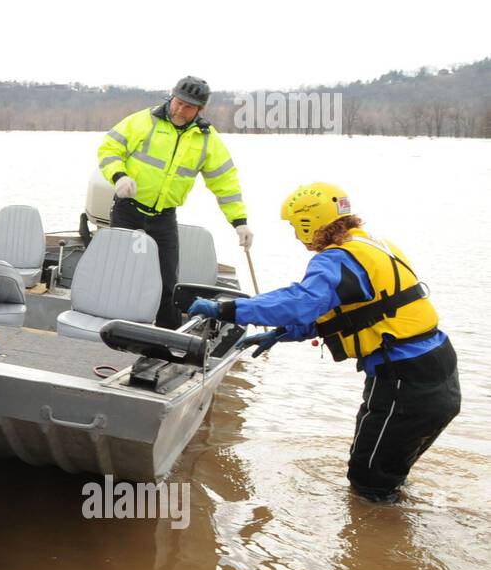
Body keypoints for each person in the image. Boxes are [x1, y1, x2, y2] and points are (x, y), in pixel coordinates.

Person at [188, 182, 460, 502]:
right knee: (384, 473)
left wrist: (229, 309)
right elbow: (365, 310)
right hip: (436, 370)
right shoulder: (369, 244)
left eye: (294, 225)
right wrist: (287, 332)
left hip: (405, 379)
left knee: (368, 482)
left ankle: (379, 536)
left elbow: (300, 301)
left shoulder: (335, 259)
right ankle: (388, 540)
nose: (294, 234)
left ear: (310, 220)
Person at [97, 76, 252, 327]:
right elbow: (109, 148)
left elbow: (225, 183)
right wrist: (119, 175)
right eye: (178, 103)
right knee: (122, 275)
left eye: (188, 107)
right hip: (128, 210)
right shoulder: (142, 121)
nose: (180, 110)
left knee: (168, 282)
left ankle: (167, 341)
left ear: (200, 109)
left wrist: (239, 222)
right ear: (171, 97)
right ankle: (109, 329)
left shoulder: (207, 139)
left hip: (163, 218)